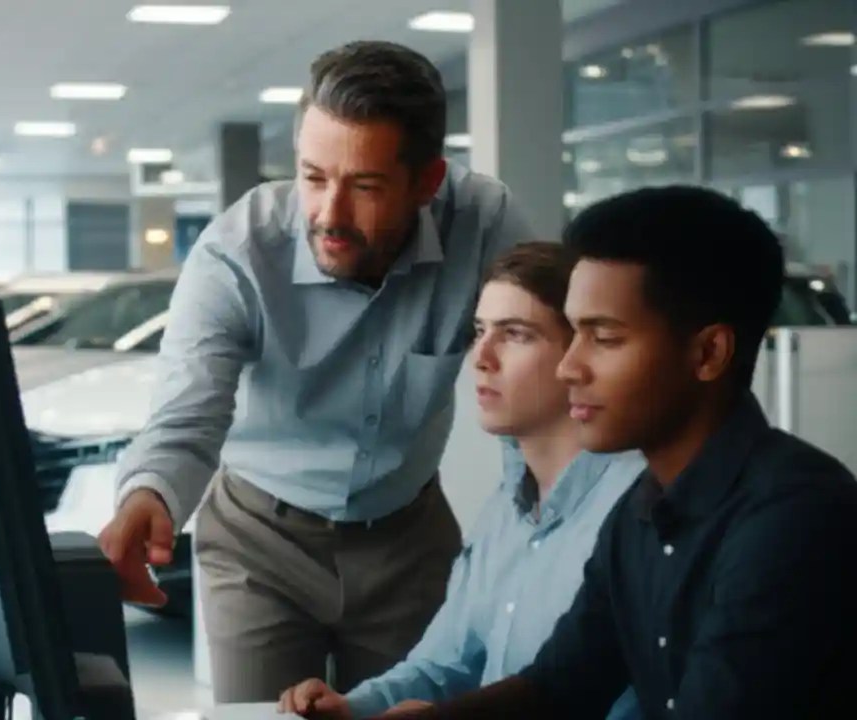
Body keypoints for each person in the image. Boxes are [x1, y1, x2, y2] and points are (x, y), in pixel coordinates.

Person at [98, 40, 534, 702]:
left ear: (427, 183)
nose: (330, 214)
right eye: (313, 176)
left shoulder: (484, 224)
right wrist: (146, 498)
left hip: (409, 539)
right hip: (258, 540)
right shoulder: (237, 251)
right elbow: (187, 414)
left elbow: (537, 392)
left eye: (365, 186)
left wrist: (538, 529)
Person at [382, 186, 857, 720]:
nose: (569, 368)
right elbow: (558, 685)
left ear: (708, 353)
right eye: (574, 334)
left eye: (604, 338)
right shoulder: (641, 512)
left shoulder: (795, 517)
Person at [278, 243, 644, 719]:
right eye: (480, 331)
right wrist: (350, 707)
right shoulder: (504, 508)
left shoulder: (638, 509)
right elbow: (443, 666)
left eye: (515, 334)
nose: (481, 358)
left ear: (578, 354)